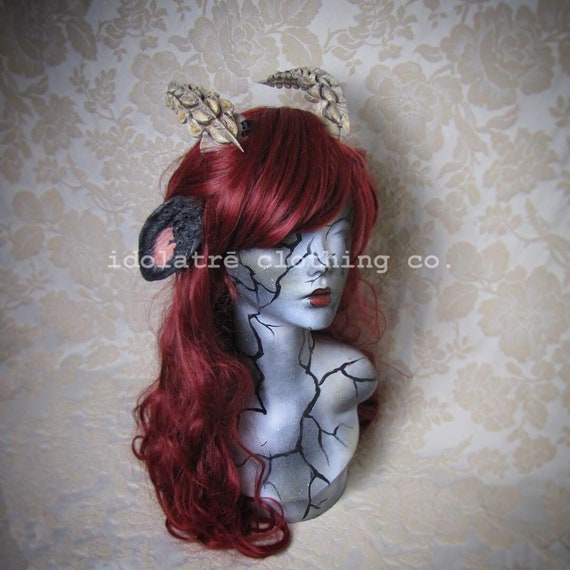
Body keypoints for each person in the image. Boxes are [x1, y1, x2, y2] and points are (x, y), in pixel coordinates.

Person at [133, 69, 380, 558]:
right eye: (285, 240)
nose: (325, 262)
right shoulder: (205, 412)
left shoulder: (351, 378)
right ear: (215, 251)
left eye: (339, 235)